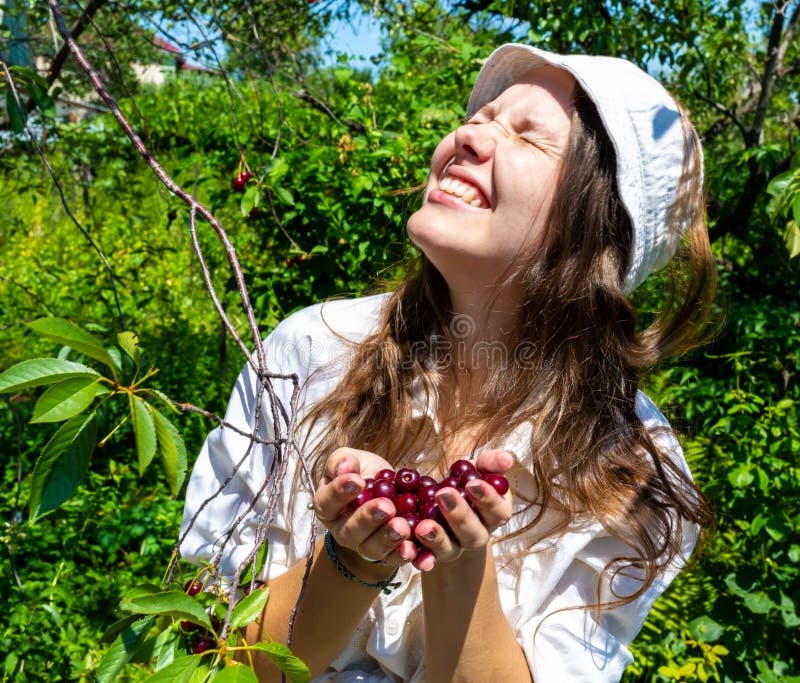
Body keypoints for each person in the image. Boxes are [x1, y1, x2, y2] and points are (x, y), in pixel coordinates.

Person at [179, 43, 716, 682]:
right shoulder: (310, 352)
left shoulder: (629, 469)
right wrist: (354, 559)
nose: (468, 135)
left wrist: (459, 569)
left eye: (526, 137)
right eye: (482, 116)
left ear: (595, 227)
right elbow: (207, 656)